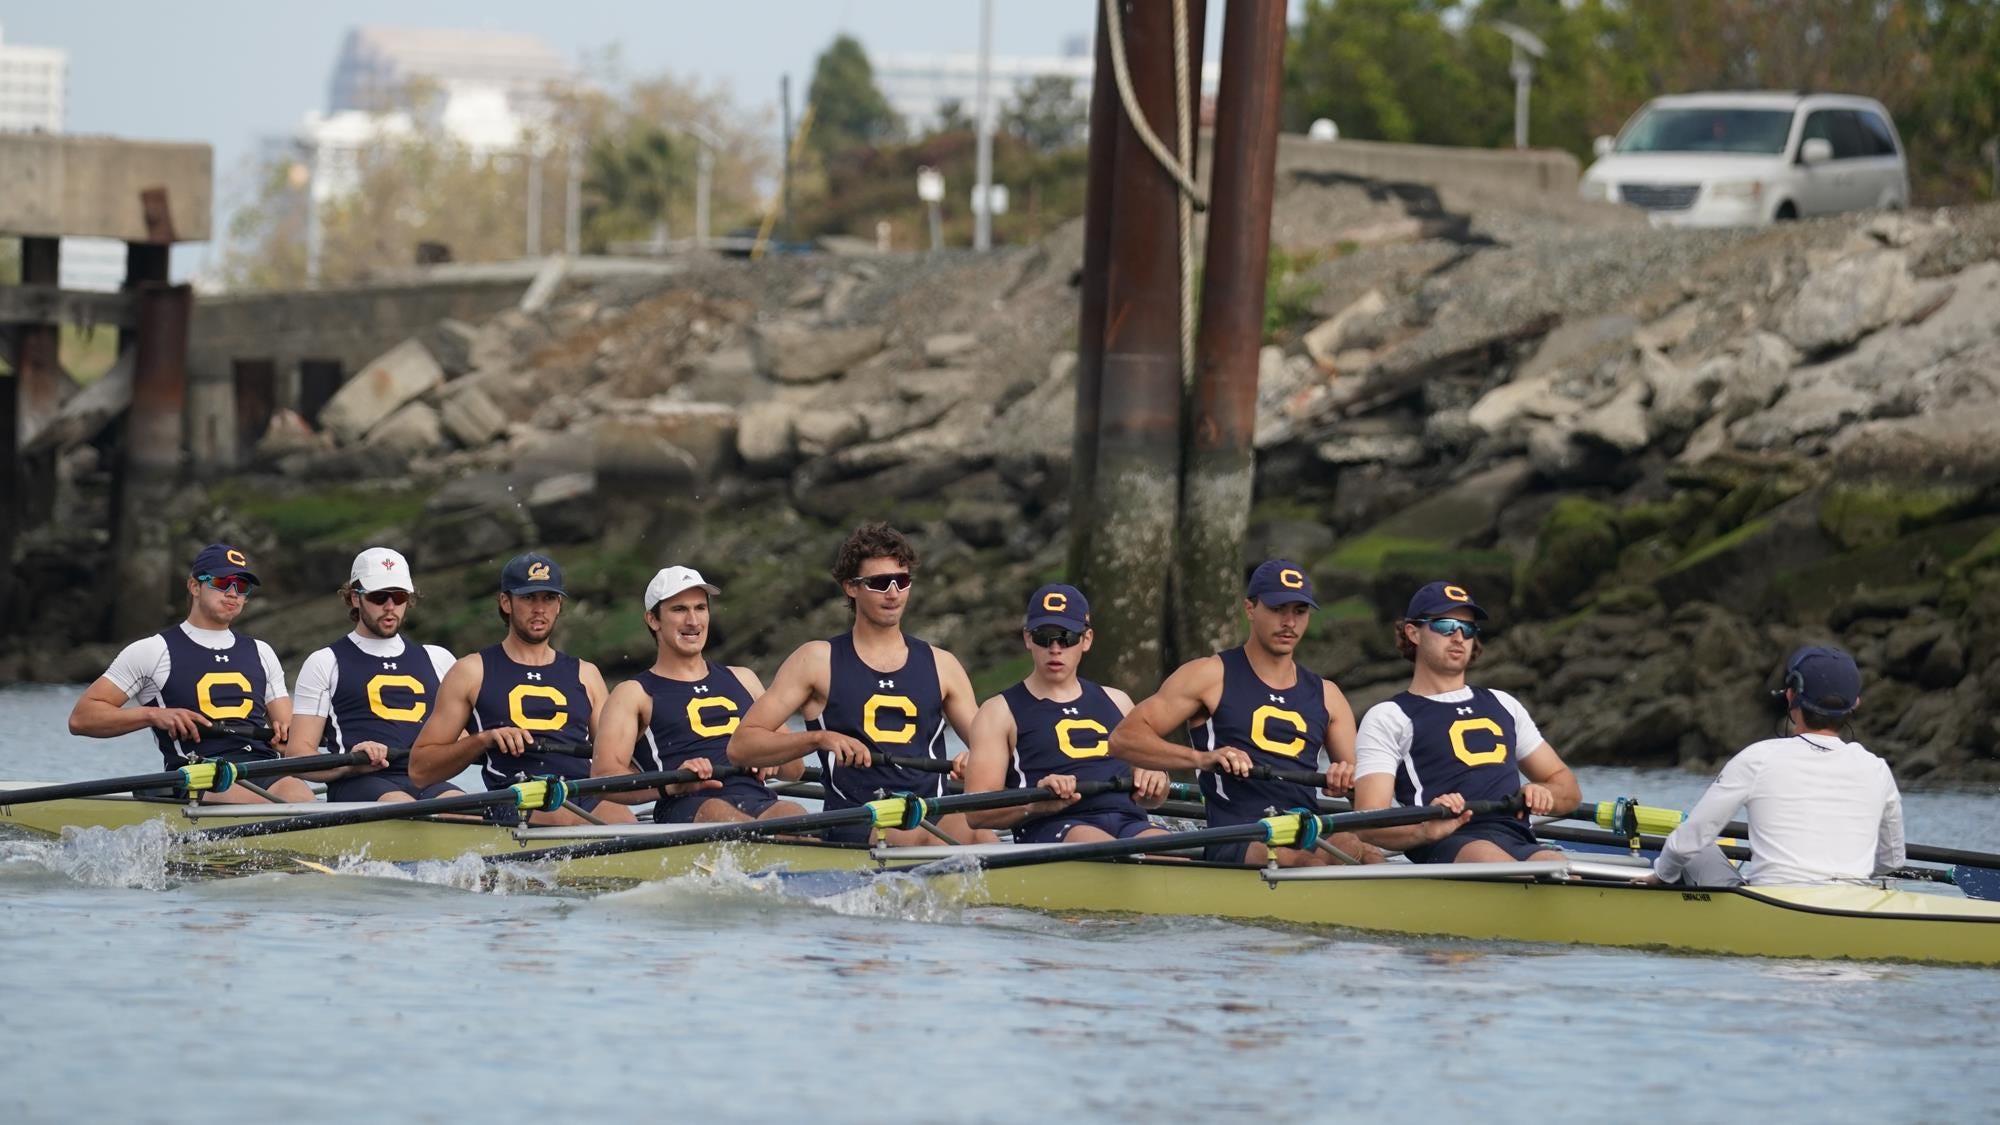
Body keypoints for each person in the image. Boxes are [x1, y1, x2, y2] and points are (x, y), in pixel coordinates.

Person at [727, 522, 996, 846]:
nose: (894, 593)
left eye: (902, 581)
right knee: (917, 837)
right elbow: (741, 747)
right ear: (850, 587)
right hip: (856, 823)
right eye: (880, 583)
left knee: (981, 832)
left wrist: (977, 759)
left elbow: (995, 751)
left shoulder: (943, 665)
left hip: (929, 816)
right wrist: (818, 739)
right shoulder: (816, 661)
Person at [1110, 560, 1378, 867]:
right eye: (1278, 609)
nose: (1289, 622)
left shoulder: (1328, 695)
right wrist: (1201, 759)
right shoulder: (1209, 676)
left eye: (1299, 612)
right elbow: (1124, 739)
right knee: (1312, 860)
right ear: (1250, 609)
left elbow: (1367, 801)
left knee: (1360, 848)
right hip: (1235, 837)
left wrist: (1347, 781)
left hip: (1304, 831)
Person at [1351, 581, 1580, 863]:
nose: (1458, 637)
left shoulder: (1504, 704)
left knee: (1556, 864)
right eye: (1445, 626)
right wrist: (1425, 829)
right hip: (1445, 841)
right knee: (1491, 860)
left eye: (1468, 629)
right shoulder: (1388, 717)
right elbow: (1367, 820)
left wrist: (1545, 792)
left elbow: (1568, 789)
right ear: (1413, 633)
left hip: (1515, 836)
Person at [66, 543, 311, 804]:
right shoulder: (153, 651)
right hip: (198, 775)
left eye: (241, 587)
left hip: (262, 769)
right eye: (222, 582)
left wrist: (289, 737)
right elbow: (81, 719)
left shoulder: (262, 652)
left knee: (300, 795)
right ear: (194, 586)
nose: (232, 593)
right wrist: (153, 715)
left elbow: (290, 738)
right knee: (274, 805)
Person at [1650, 645, 1905, 887]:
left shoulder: (1758, 758)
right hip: (1851, 907)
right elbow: (1891, 861)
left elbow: (1686, 843)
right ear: (1855, 704)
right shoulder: (1877, 769)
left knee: (1700, 849)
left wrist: (1663, 875)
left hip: (1769, 910)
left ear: (1791, 696)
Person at [409, 553, 634, 826]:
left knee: (623, 819)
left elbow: (612, 761)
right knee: (560, 817)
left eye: (548, 598)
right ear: (506, 602)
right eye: (528, 598)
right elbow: (419, 769)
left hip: (581, 793)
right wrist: (483, 740)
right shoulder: (471, 671)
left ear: (559, 604)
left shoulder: (587, 674)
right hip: (515, 797)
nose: (539, 608)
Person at [595, 565, 806, 823]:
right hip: (685, 807)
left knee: (794, 814)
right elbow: (603, 776)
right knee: (720, 814)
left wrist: (772, 756)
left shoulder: (744, 679)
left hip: (757, 799)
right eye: (679, 609)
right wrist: (670, 784)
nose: (693, 621)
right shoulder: (632, 694)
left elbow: (796, 770)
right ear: (653, 619)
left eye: (700, 608)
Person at [962, 584, 1171, 842]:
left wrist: (1157, 781)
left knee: (1175, 853)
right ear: (1028, 638)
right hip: (1051, 824)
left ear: (1087, 640)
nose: (1055, 648)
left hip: (1127, 821)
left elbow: (1155, 798)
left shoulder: (1119, 702)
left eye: (1067, 637)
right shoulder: (997, 712)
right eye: (1044, 636)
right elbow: (975, 811)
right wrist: (1034, 803)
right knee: (1106, 850)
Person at [287, 548, 463, 803]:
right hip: (357, 782)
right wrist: (349, 765)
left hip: (425, 780)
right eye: (379, 597)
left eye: (399, 596)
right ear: (355, 598)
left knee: (468, 810)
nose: (390, 607)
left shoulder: (439, 659)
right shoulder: (324, 662)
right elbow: (297, 753)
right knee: (403, 807)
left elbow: (464, 737)